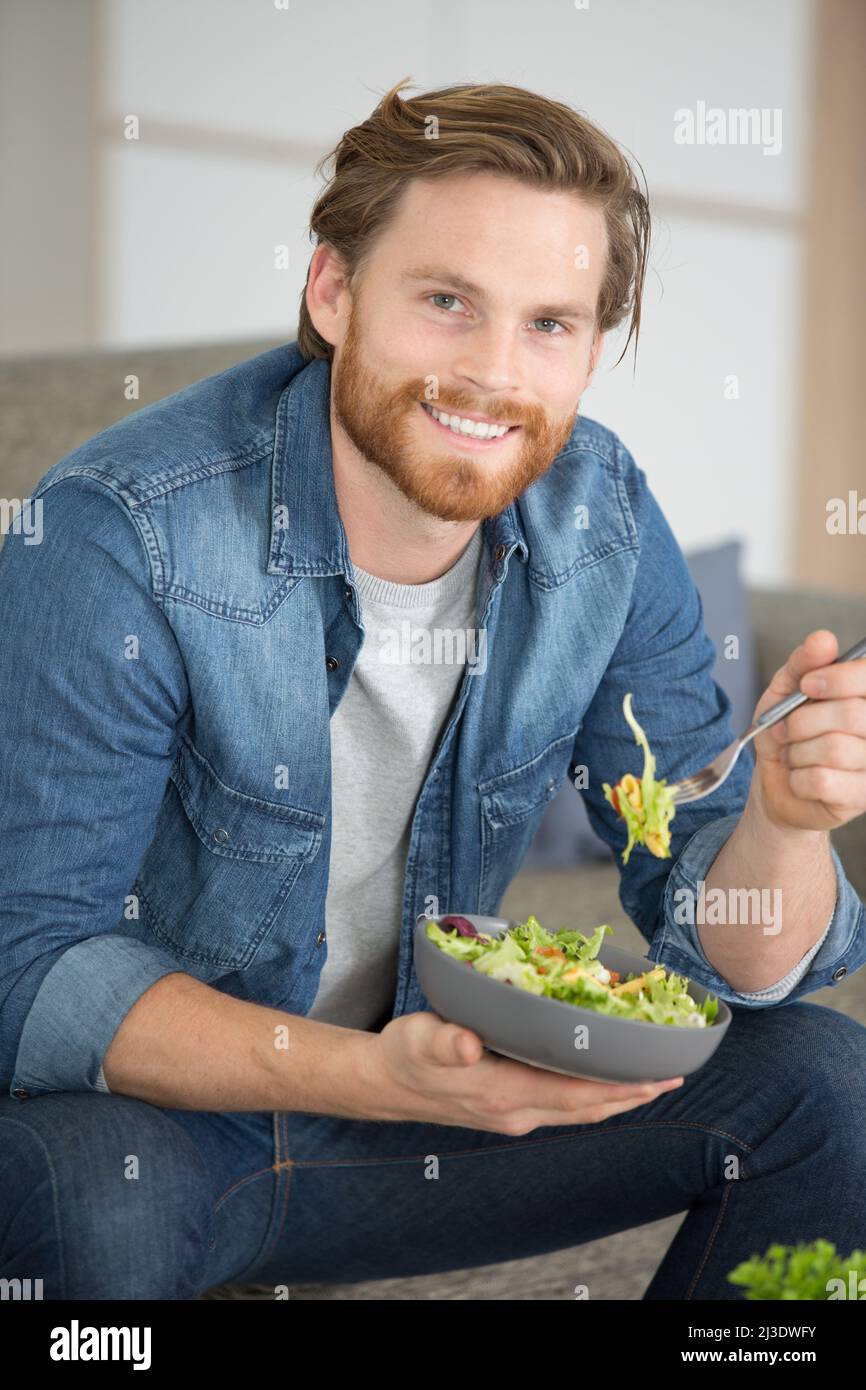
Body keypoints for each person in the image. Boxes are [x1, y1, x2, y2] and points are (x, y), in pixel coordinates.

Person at [1, 78, 865, 1302]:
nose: (491, 377)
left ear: (593, 347)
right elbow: (28, 973)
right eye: (447, 301)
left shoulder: (600, 520)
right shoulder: (119, 535)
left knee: (828, 1086)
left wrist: (782, 820)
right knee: (86, 1197)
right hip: (167, 1121)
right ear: (334, 291)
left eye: (548, 325)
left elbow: (720, 941)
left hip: (424, 1112)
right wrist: (375, 1076)